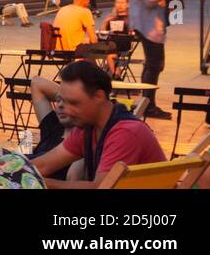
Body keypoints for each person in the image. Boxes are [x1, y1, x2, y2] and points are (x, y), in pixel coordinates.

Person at [30, 60, 165, 187]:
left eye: (74, 103)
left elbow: (100, 187)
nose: (65, 108)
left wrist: (39, 182)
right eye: (61, 100)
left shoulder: (125, 132)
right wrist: (13, 170)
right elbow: (44, 165)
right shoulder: (87, 127)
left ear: (99, 97)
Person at [127, 0, 182, 119]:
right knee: (154, 64)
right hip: (147, 24)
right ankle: (148, 106)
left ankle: (147, 104)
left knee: (154, 64)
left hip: (156, 23)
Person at [25, 76, 76, 181]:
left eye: (71, 102)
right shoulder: (54, 124)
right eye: (59, 100)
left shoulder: (82, 143)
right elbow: (37, 82)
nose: (61, 105)